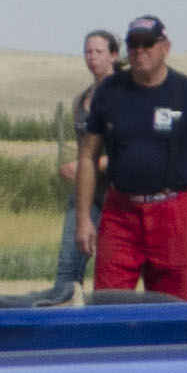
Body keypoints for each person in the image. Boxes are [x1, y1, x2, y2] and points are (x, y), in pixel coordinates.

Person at [75, 15, 187, 301]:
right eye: (133, 44)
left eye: (147, 43)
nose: (139, 51)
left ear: (165, 47)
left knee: (170, 309)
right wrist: (83, 219)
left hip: (171, 213)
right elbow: (87, 158)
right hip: (120, 214)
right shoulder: (110, 91)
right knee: (108, 305)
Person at [51, 29, 117, 297]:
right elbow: (83, 148)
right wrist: (77, 167)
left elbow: (131, 154)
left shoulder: (124, 97)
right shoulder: (80, 101)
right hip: (86, 193)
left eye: (99, 51)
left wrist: (86, 165)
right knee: (68, 265)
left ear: (114, 55)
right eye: (88, 52)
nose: (92, 57)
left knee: (112, 270)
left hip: (118, 192)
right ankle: (61, 316)